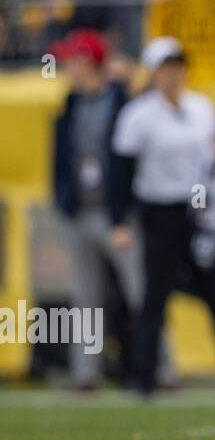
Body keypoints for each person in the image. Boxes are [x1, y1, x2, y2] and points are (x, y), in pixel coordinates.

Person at [111, 36, 215, 396]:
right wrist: (120, 220)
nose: (173, 75)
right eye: (165, 68)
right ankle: (143, 377)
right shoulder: (137, 115)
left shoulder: (202, 108)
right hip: (160, 211)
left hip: (201, 210)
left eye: (177, 67)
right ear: (153, 73)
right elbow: (122, 172)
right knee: (155, 298)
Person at [51, 28, 150, 389]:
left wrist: (124, 214)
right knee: (86, 302)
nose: (67, 67)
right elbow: (62, 159)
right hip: (81, 212)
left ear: (89, 62)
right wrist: (64, 203)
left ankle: (159, 368)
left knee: (141, 292)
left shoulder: (122, 101)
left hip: (117, 215)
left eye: (73, 60)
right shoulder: (70, 105)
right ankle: (85, 374)